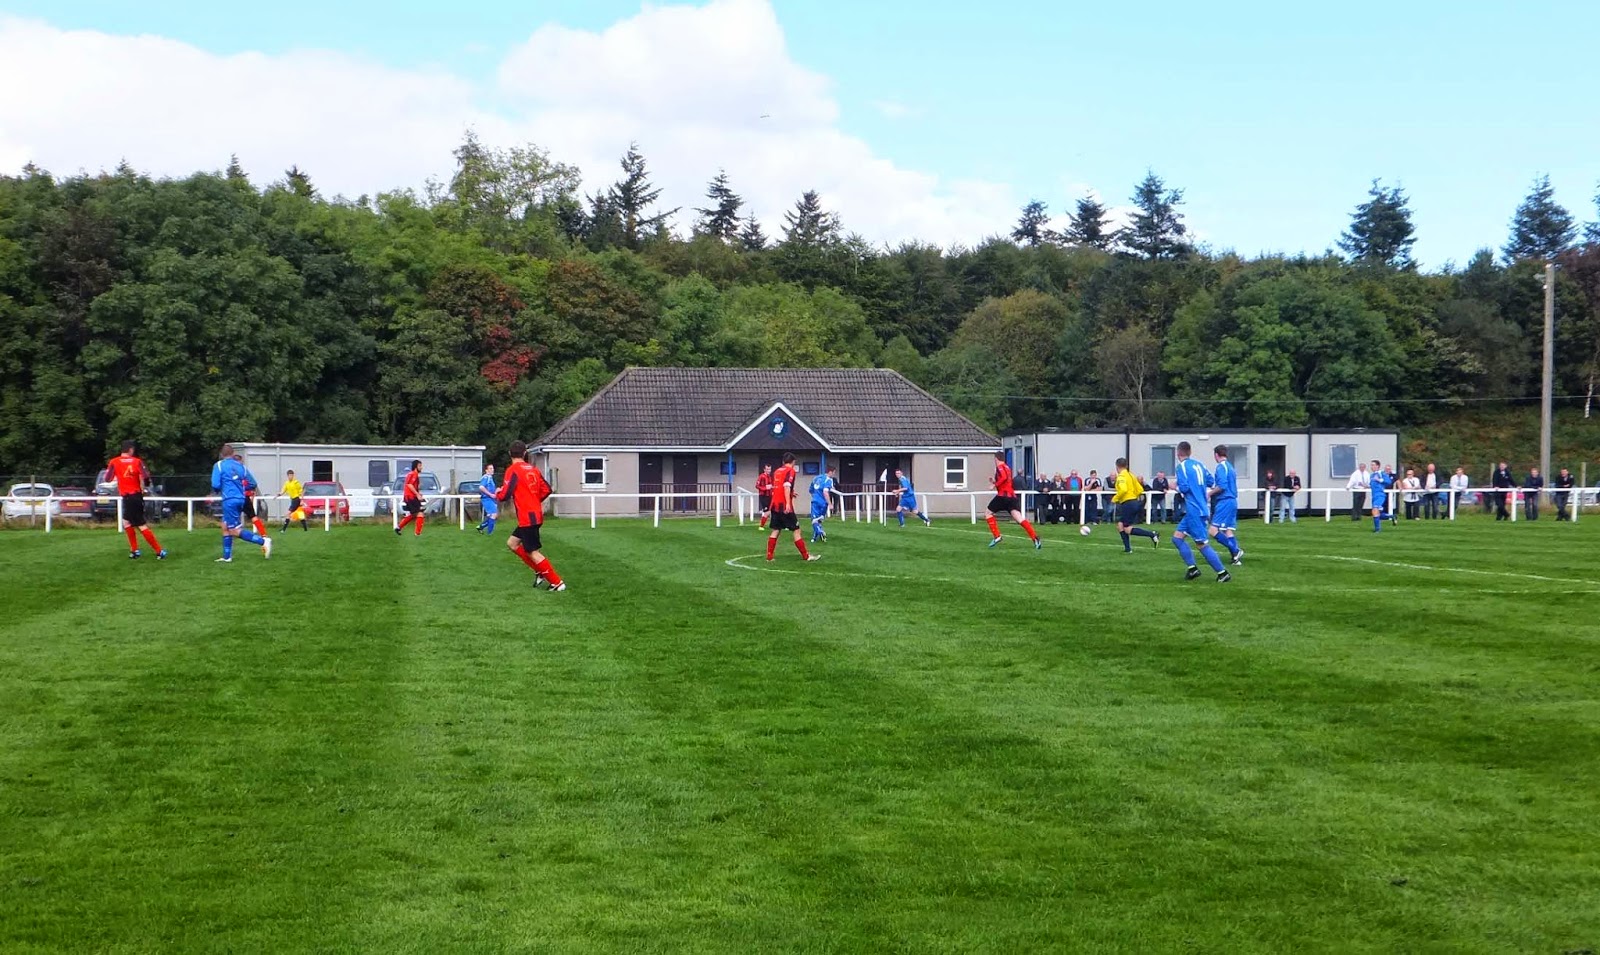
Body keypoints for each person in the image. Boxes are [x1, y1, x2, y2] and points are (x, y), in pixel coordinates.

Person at [497, 441, 564, 591]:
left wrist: (498, 492)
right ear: (525, 453)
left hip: (528, 517)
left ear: (510, 454)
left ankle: (557, 582)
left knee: (533, 552)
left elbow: (505, 495)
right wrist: (534, 499)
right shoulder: (533, 469)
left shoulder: (513, 470)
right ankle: (539, 570)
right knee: (512, 544)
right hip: (534, 514)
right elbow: (547, 489)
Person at [1173, 442, 1230, 582]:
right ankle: (1192, 569)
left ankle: (1222, 573)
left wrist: (1175, 487)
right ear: (1190, 452)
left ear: (1178, 453)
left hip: (1195, 510)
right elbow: (1211, 481)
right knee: (1177, 538)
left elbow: (1184, 488)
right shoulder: (1200, 465)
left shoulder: (1181, 467)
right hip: (1199, 508)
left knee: (1201, 544)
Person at [106, 440, 167, 560]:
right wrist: (144, 486)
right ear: (130, 449)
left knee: (140, 525)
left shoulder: (114, 462)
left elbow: (108, 478)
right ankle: (135, 551)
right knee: (127, 522)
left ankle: (159, 551)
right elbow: (146, 477)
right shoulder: (137, 461)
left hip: (128, 497)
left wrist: (120, 478)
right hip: (136, 496)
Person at [210, 443, 271, 562]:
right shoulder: (241, 466)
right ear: (233, 454)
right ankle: (227, 557)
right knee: (225, 526)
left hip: (230, 500)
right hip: (242, 499)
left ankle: (263, 541)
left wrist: (221, 489)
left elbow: (215, 485)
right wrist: (242, 489)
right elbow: (252, 483)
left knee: (234, 530)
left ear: (221, 455)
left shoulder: (219, 466)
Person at [766, 452, 819, 563]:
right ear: (793, 462)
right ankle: (806, 556)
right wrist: (788, 503)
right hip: (784, 505)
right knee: (796, 530)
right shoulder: (790, 471)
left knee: (776, 530)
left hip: (775, 505)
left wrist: (791, 493)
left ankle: (769, 557)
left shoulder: (777, 471)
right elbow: (786, 486)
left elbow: (778, 486)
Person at [985, 451, 1041, 549]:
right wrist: (994, 481)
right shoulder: (1007, 467)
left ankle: (997, 536)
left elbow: (1003, 477)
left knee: (988, 513)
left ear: (996, 459)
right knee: (1020, 519)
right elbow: (1005, 480)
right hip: (1012, 497)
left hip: (1003, 496)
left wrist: (994, 485)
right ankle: (1035, 538)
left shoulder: (999, 467)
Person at [1111, 457, 1159, 553]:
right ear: (1126, 466)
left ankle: (1152, 534)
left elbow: (1123, 490)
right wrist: (1133, 496)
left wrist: (1115, 498)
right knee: (1120, 525)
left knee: (1127, 528)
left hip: (1128, 504)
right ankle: (1127, 549)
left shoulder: (1121, 477)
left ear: (1117, 466)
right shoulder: (1131, 475)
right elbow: (1140, 489)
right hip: (1134, 502)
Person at [1208, 446, 1244, 565]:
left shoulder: (1221, 467)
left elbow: (1222, 486)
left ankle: (1235, 550)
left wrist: (1210, 493)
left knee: (1213, 530)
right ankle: (1235, 559)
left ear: (1216, 455)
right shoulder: (1230, 467)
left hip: (1225, 501)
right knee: (1228, 530)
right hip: (1232, 501)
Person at [234, 454, 268, 538]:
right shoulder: (243, 470)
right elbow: (253, 484)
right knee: (253, 517)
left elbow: (253, 484)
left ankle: (231, 536)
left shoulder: (230, 472)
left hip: (235, 498)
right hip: (243, 498)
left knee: (232, 518)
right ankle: (264, 535)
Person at [396, 459, 425, 536]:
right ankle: (417, 533)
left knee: (414, 514)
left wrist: (418, 493)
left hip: (409, 496)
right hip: (411, 497)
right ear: (416, 467)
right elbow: (409, 485)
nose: (421, 467)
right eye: (420, 466)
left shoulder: (411, 474)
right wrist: (417, 495)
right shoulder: (414, 474)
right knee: (420, 513)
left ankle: (398, 527)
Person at [809, 464, 837, 542]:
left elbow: (811, 490)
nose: (834, 474)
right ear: (830, 472)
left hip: (815, 502)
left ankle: (820, 532)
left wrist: (815, 497)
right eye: (834, 472)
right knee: (819, 520)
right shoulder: (828, 480)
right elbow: (825, 492)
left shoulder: (816, 478)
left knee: (815, 520)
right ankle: (815, 537)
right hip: (823, 503)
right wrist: (830, 503)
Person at [1368, 459, 1394, 532]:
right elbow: (1372, 485)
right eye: (1371, 465)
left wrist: (1379, 480)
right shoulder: (1371, 475)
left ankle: (1377, 529)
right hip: (1374, 496)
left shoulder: (1381, 473)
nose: (1371, 467)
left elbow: (1389, 481)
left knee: (1375, 510)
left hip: (1380, 495)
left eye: (1373, 465)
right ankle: (1392, 516)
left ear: (1377, 466)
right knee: (1376, 512)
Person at [476, 464, 498, 534]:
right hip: (487, 498)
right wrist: (490, 494)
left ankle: (480, 527)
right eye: (490, 468)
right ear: (486, 470)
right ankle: (490, 533)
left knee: (490, 515)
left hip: (491, 499)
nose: (492, 470)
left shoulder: (490, 478)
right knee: (493, 514)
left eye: (493, 468)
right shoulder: (486, 477)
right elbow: (481, 487)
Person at [755, 464, 773, 530]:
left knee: (771, 510)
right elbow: (757, 485)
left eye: (770, 469)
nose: (769, 471)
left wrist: (772, 488)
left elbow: (770, 486)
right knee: (767, 512)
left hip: (769, 495)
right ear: (764, 469)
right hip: (763, 496)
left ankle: (774, 525)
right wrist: (765, 488)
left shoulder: (769, 477)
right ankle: (761, 526)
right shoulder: (761, 476)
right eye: (767, 469)